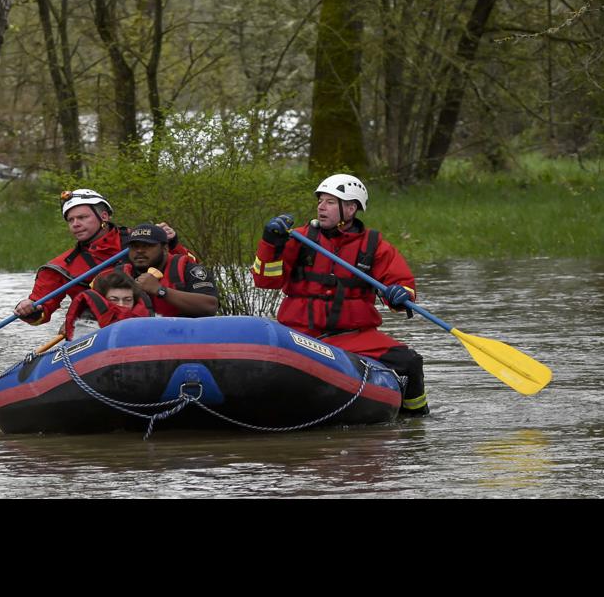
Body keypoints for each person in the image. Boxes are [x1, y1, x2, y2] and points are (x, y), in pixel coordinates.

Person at [253, 173, 429, 416]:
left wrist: (400, 294)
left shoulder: (375, 247)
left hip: (352, 337)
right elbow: (265, 281)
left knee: (410, 362)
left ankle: (416, 420)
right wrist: (270, 244)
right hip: (299, 335)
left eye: (330, 202)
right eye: (320, 201)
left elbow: (402, 288)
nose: (321, 207)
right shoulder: (300, 239)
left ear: (350, 208)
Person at [14, 189, 187, 325]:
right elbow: (41, 311)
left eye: (82, 217)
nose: (75, 224)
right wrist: (29, 309)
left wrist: (171, 243)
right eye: (70, 220)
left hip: (162, 321)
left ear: (103, 216)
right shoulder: (60, 267)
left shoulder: (145, 239)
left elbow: (189, 268)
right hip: (103, 331)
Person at [121, 222, 219, 318]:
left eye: (147, 246)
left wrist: (160, 290)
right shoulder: (121, 274)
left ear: (165, 248)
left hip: (182, 332)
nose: (139, 251)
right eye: (134, 246)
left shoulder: (188, 270)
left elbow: (210, 306)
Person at [60, 269, 150, 340]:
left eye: (127, 300)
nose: (121, 305)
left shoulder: (146, 319)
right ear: (104, 299)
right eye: (114, 300)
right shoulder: (88, 321)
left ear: (134, 301)